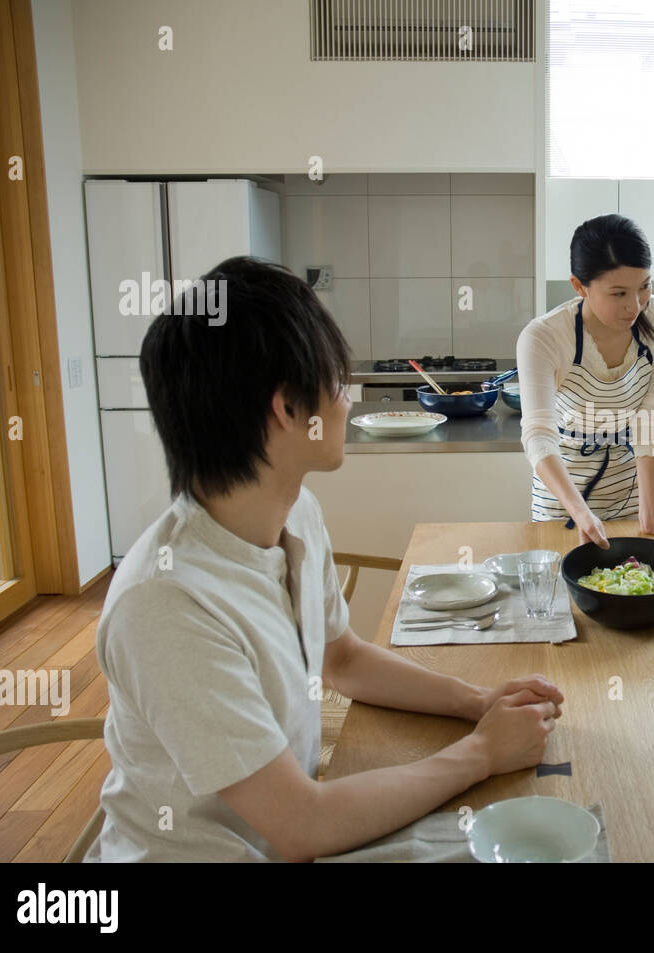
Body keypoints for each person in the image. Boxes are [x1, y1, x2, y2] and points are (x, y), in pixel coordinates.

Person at [86, 257, 564, 862]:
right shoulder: (164, 604)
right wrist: (481, 753)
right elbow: (303, 825)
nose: (347, 400)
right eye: (337, 383)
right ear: (286, 409)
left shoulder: (294, 511)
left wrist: (477, 703)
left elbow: (343, 660)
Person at [517, 214, 654, 549]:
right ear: (579, 286)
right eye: (619, 293)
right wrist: (580, 512)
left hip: (630, 504)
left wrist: (651, 514)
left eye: (644, 287)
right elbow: (538, 435)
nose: (635, 306)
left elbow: (652, 416)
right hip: (561, 509)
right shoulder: (544, 336)